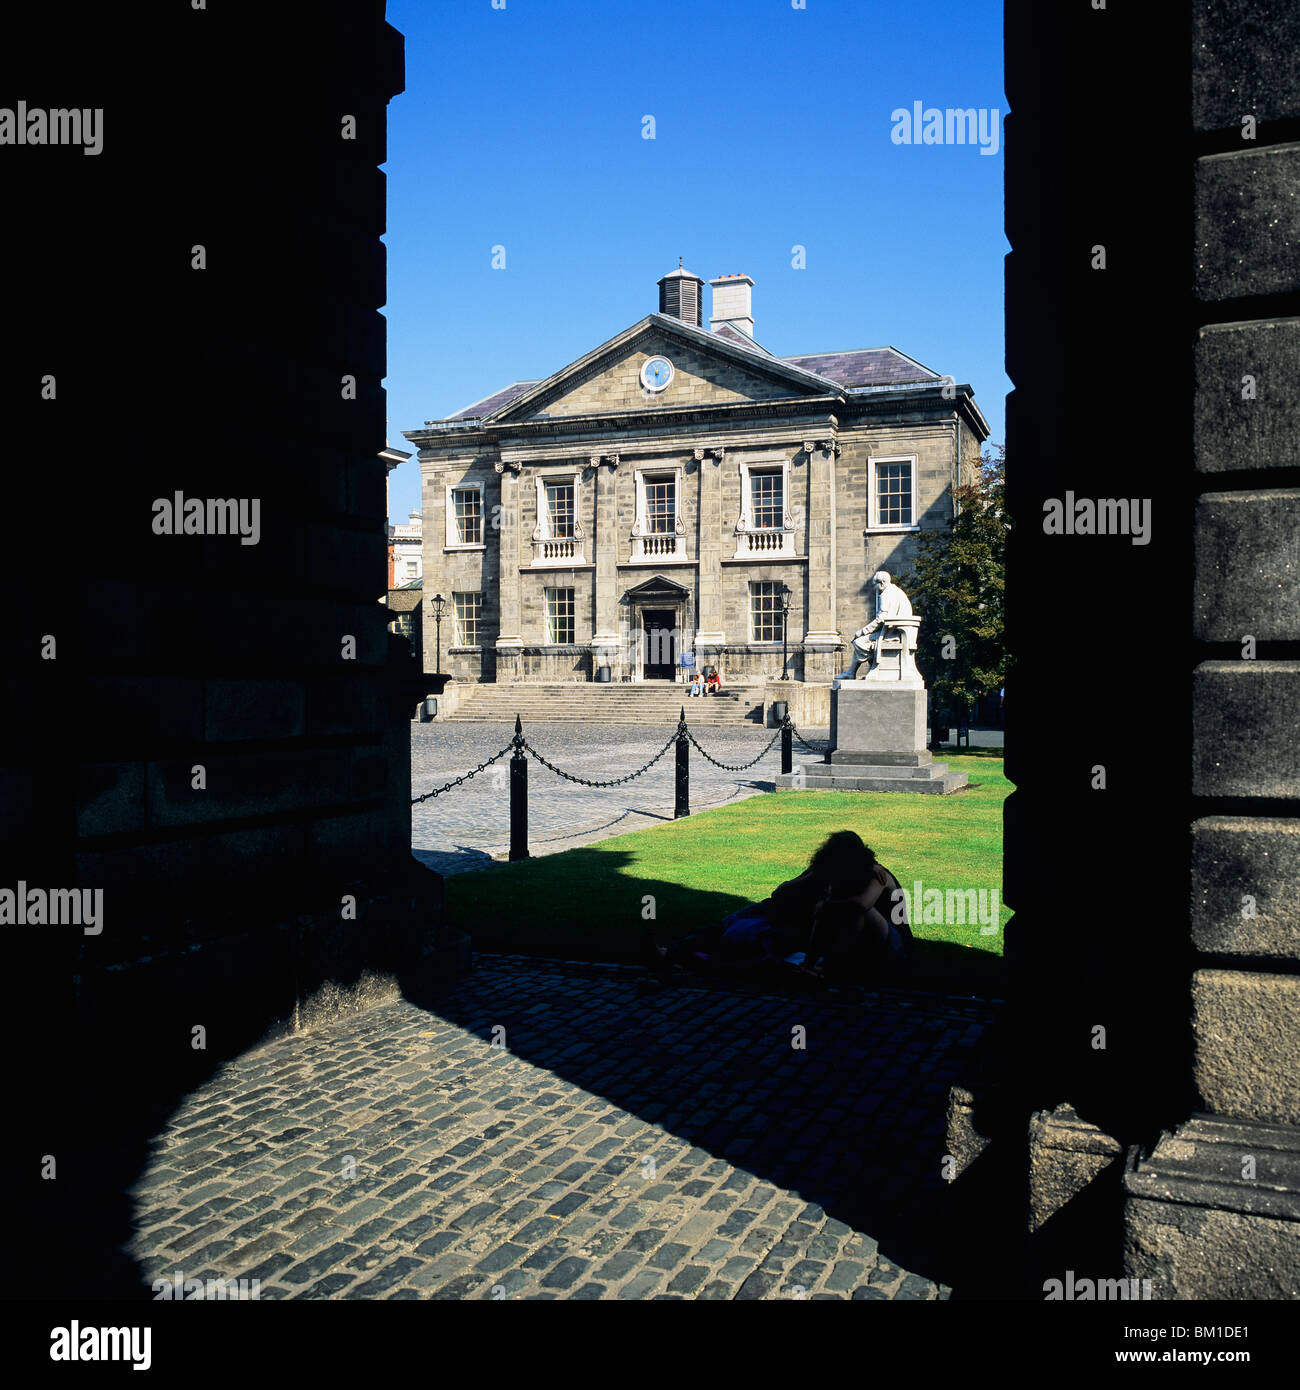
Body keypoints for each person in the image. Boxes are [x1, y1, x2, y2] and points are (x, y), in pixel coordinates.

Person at [645, 830, 909, 985]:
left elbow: (860, 905)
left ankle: (826, 969)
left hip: (891, 942)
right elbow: (783, 894)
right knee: (737, 924)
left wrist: (826, 904)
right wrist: (816, 878)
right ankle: (675, 953)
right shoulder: (828, 876)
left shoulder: (876, 874)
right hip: (784, 914)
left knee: (850, 912)